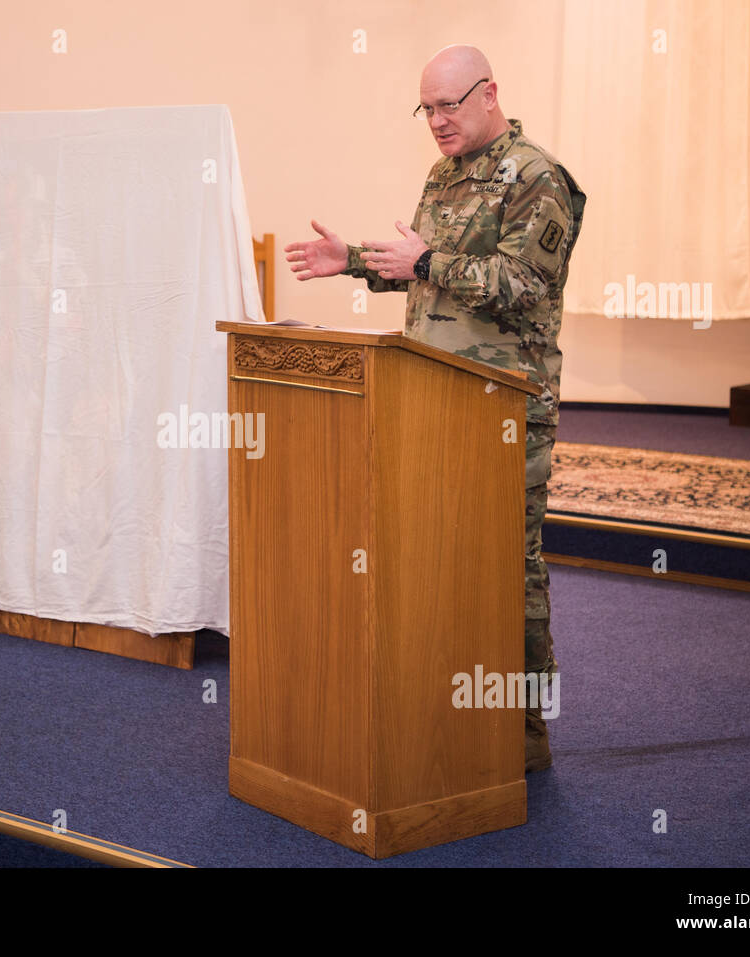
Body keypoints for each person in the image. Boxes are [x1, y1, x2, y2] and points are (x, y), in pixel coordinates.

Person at [284, 44, 586, 773]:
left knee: (507, 563)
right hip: (433, 401)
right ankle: (448, 721)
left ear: (490, 94)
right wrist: (356, 259)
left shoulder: (538, 178)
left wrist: (423, 262)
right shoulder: (443, 176)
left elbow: (520, 284)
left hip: (508, 406)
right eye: (428, 108)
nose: (437, 122)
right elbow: (435, 278)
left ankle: (522, 736)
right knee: (444, 560)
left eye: (450, 105)